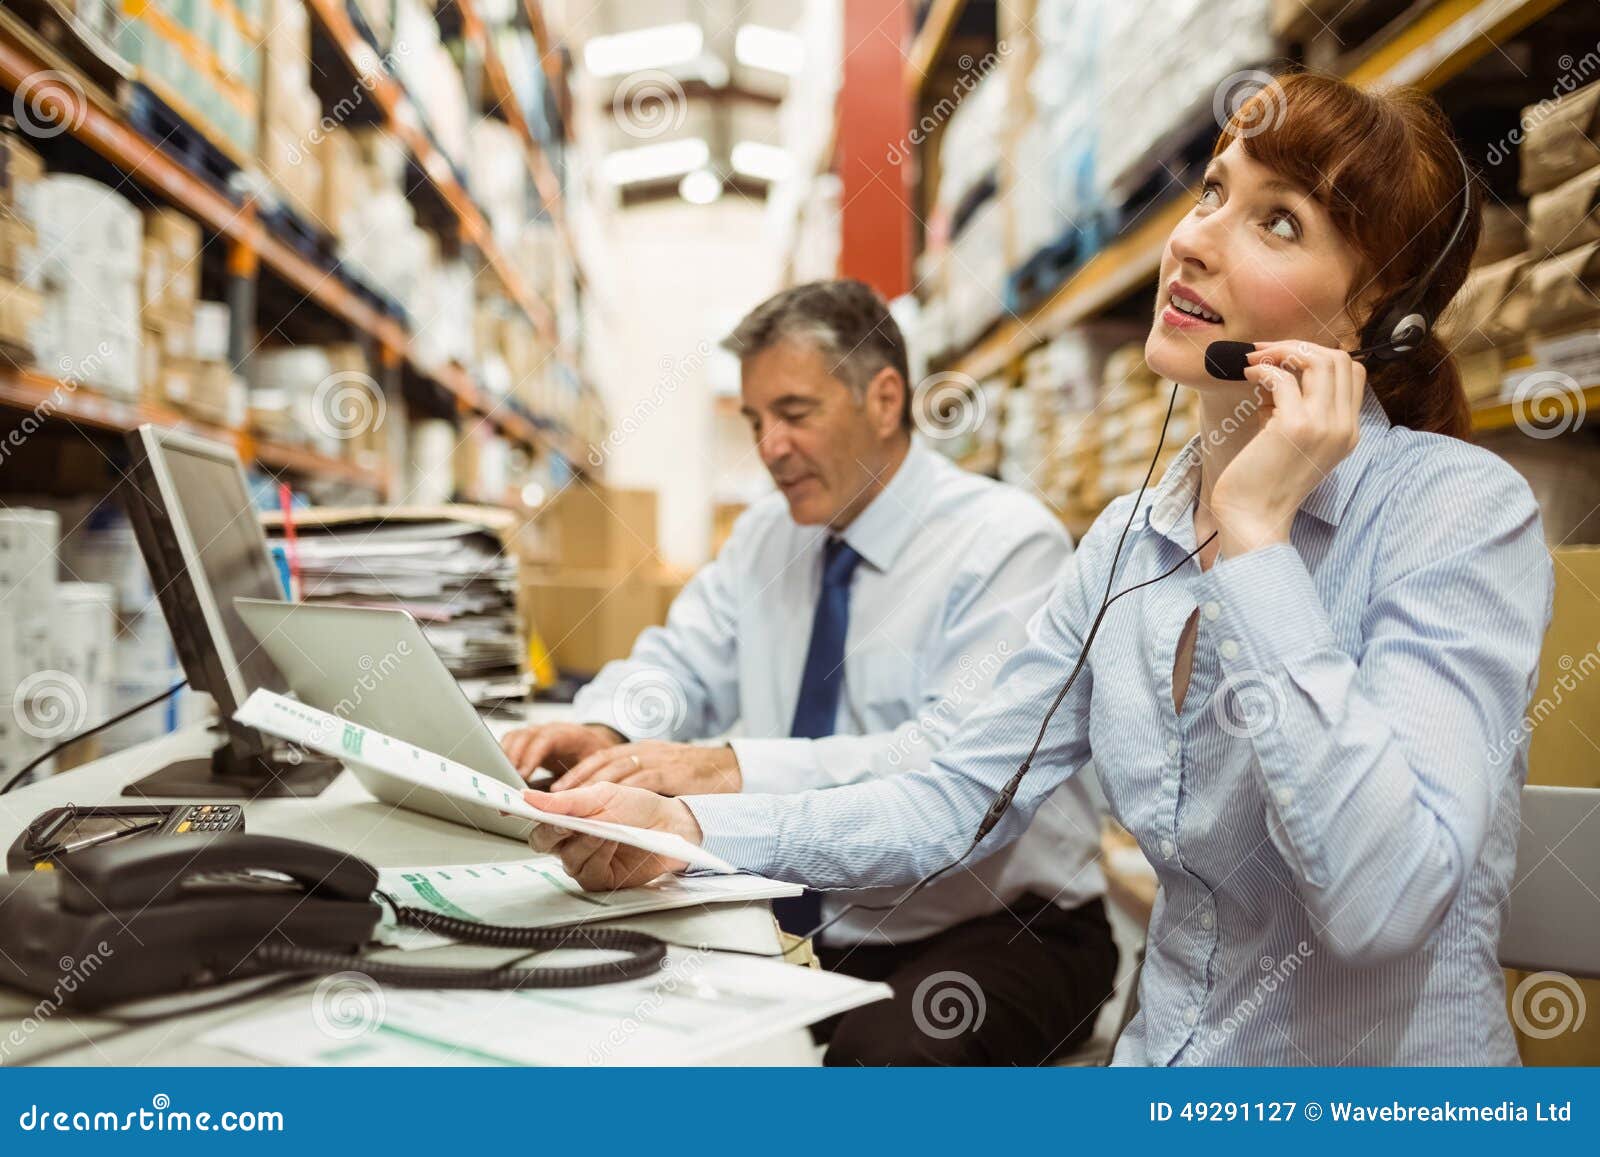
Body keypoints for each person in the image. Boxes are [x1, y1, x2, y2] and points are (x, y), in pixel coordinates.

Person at [521, 72, 1556, 1066]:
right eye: (1209, 194)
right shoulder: (1124, 544)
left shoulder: (1454, 511)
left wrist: (1255, 540)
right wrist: (687, 825)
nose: (1193, 241)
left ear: (1380, 310)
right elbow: (946, 789)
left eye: (1275, 220)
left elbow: (1383, 902)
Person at [502, 279, 1116, 1065]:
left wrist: (727, 769)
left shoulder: (1006, 545)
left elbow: (946, 776)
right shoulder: (769, 536)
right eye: (757, 421)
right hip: (819, 914)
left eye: (795, 413)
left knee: (882, 1064)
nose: (769, 446)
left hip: (1002, 926)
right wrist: (606, 725)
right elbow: (684, 656)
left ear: (885, 399)